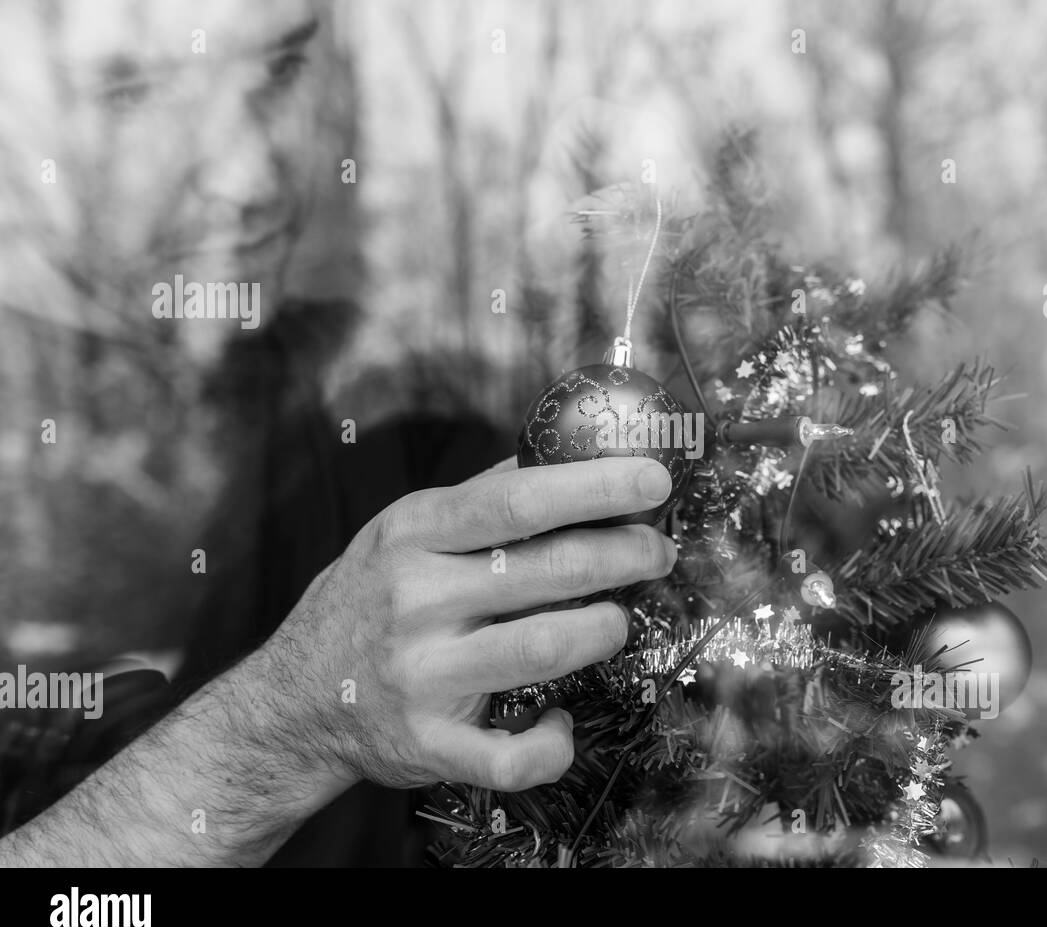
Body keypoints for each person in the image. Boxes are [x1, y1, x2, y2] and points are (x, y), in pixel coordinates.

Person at [0, 0, 677, 866]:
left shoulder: (408, 444)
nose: (251, 180)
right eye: (134, 93)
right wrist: (290, 726)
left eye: (279, 69)